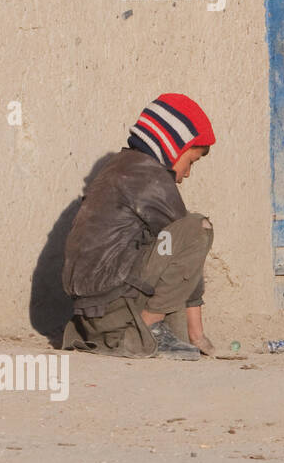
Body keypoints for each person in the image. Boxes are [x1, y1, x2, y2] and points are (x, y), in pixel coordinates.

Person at [61, 94, 217, 359]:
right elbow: (188, 248)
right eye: (191, 161)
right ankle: (147, 328)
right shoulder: (149, 177)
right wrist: (197, 334)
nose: (188, 174)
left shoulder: (121, 168)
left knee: (182, 240)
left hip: (91, 315)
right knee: (198, 228)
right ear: (174, 147)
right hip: (111, 307)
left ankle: (142, 329)